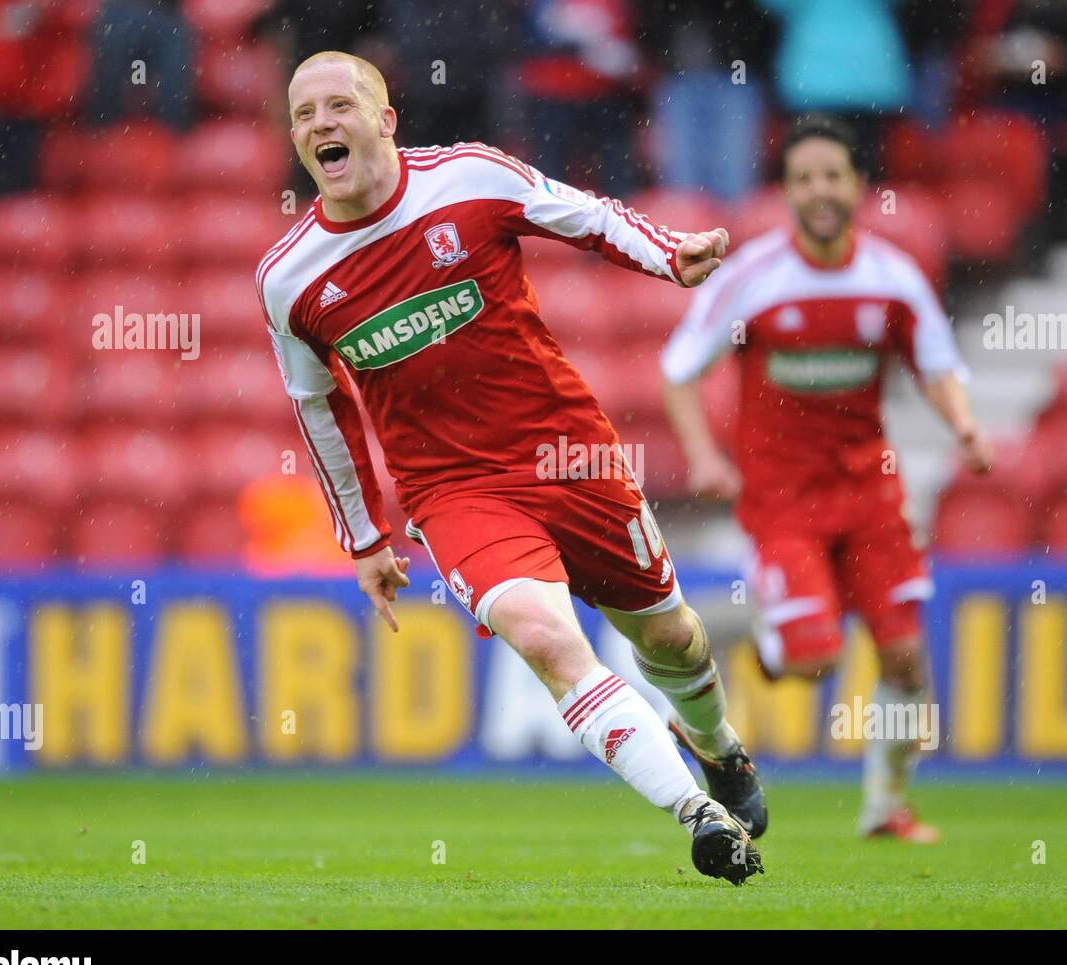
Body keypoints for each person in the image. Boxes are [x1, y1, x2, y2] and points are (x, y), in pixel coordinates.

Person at [256, 51, 765, 884]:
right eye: (304, 113)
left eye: (339, 105)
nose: (321, 124)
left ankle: (720, 750)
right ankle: (699, 816)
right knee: (545, 637)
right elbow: (320, 411)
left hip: (567, 453)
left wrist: (670, 255)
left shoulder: (469, 180)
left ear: (386, 120)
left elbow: (584, 216)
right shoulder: (288, 278)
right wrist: (363, 539)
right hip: (454, 493)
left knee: (669, 636)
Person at [660, 114, 993, 843]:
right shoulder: (753, 278)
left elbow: (935, 365)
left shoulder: (894, 278)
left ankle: (886, 807)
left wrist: (964, 426)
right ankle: (717, 636)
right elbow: (679, 369)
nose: (820, 190)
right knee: (817, 657)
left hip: (872, 494)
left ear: (858, 187)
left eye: (833, 176)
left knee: (905, 653)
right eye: (804, 177)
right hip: (783, 502)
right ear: (786, 191)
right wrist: (706, 458)